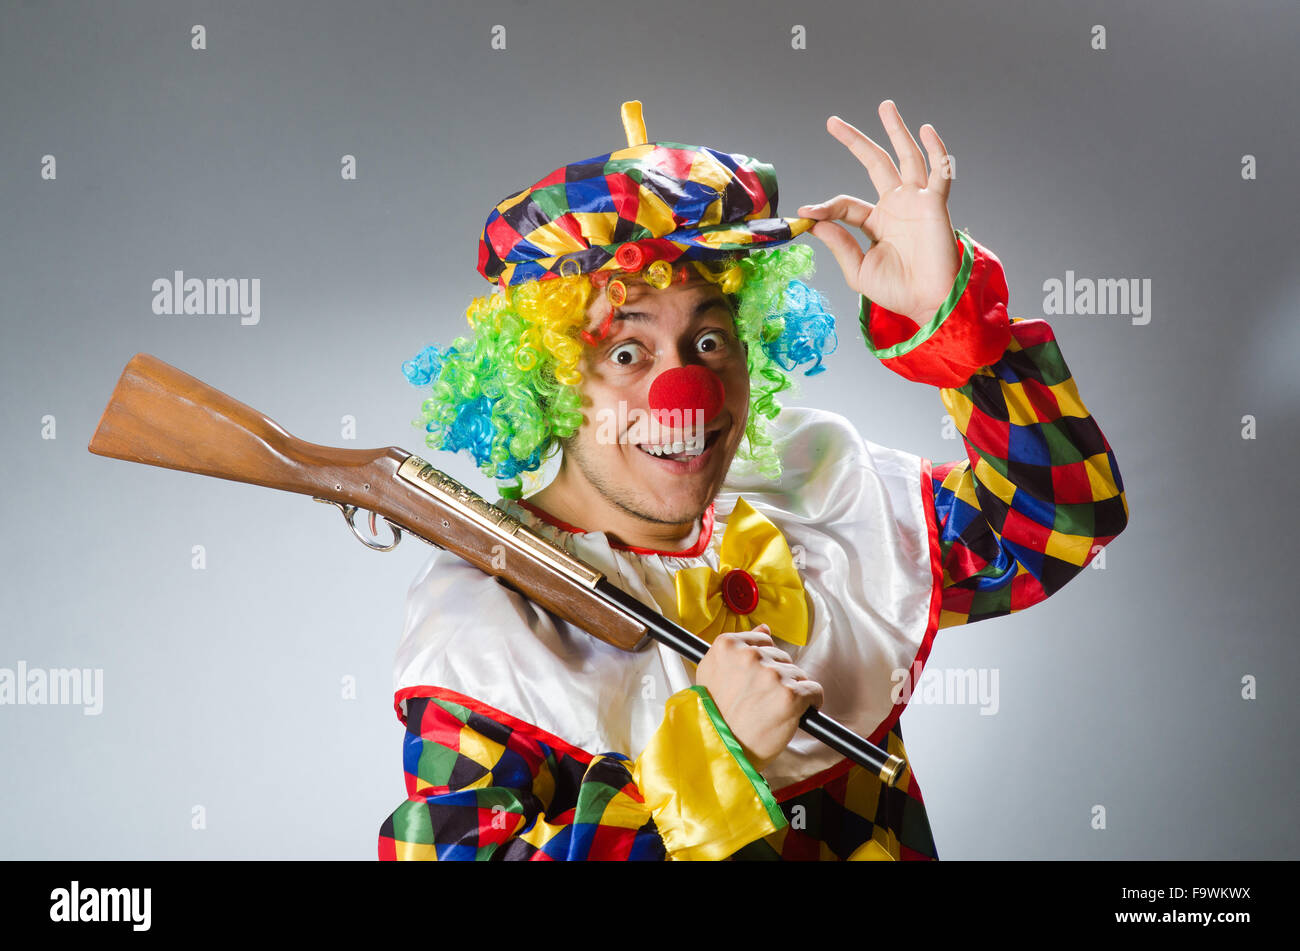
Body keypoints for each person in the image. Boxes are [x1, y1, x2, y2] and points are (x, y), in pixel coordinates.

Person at [378, 99, 1128, 860]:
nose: (687, 391)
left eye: (709, 339)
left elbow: (1063, 521)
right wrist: (710, 756)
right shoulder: (488, 624)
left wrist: (960, 331)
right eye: (627, 353)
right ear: (544, 380)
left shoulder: (815, 497)